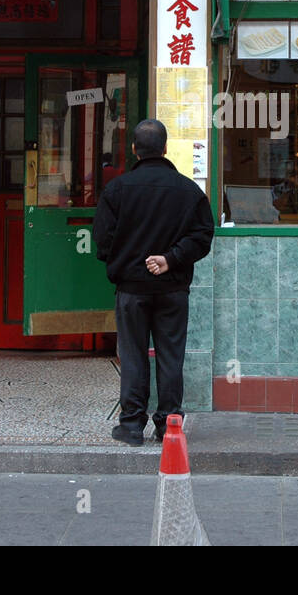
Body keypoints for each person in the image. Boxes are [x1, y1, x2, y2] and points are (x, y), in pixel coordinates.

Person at [93, 119, 214, 446]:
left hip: (131, 291)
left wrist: (131, 264)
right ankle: (168, 425)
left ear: (134, 149)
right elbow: (203, 237)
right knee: (170, 357)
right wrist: (171, 258)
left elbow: (101, 242)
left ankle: (132, 425)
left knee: (133, 356)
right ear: (165, 149)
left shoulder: (116, 190)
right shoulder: (188, 190)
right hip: (173, 289)